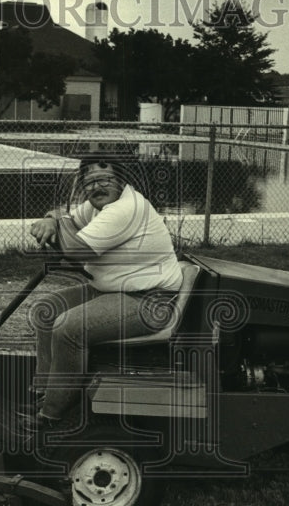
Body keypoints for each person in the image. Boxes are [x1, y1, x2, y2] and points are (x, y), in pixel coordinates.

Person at [24, 154, 183, 431]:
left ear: (121, 182)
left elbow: (76, 250)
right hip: (109, 290)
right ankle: (43, 392)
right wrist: (52, 219)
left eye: (105, 180)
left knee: (68, 328)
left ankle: (52, 414)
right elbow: (68, 218)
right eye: (90, 183)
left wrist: (56, 224)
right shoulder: (96, 205)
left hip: (150, 301)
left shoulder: (124, 209)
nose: (97, 188)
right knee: (45, 311)